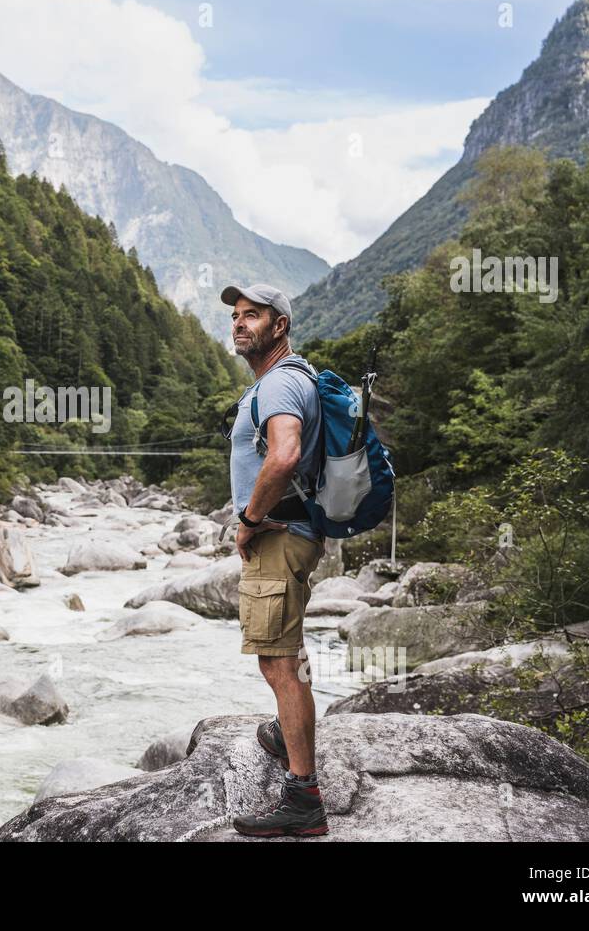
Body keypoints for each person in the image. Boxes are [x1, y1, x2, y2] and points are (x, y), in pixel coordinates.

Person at [221, 282, 329, 838]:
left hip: (278, 535)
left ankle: (303, 798)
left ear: (279, 326)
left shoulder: (281, 382)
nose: (240, 323)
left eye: (253, 316)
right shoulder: (290, 378)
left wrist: (249, 520)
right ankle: (287, 735)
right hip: (293, 533)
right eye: (236, 316)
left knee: (278, 661)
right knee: (287, 654)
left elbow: (283, 454)